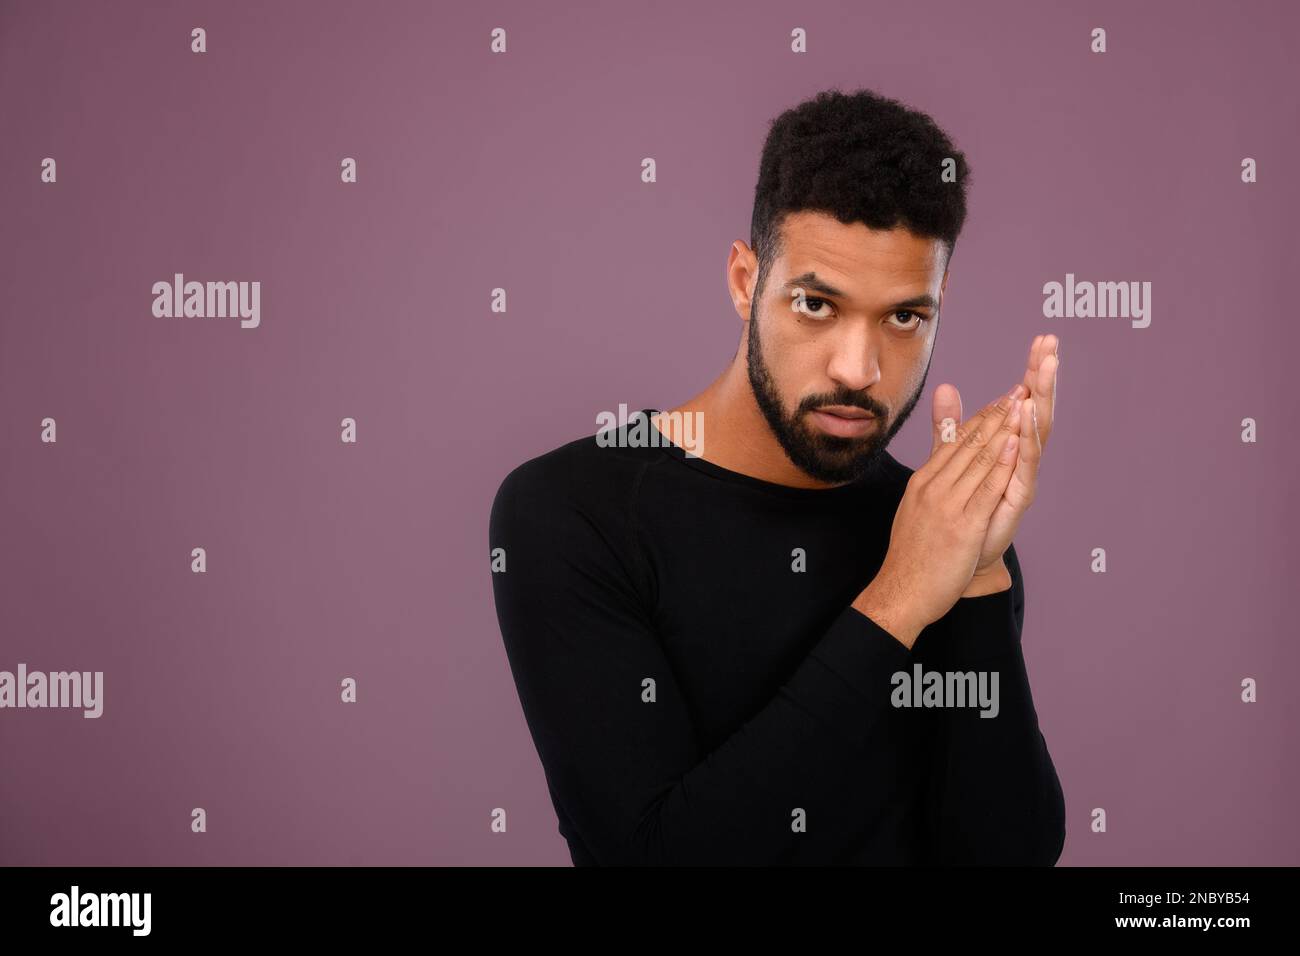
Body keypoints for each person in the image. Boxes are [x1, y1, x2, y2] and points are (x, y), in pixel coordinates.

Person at [488, 87, 1064, 865]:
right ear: (743, 280)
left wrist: (981, 577)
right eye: (816, 304)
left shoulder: (946, 528)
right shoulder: (572, 511)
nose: (858, 370)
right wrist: (898, 600)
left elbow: (1001, 857)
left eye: (904, 317)